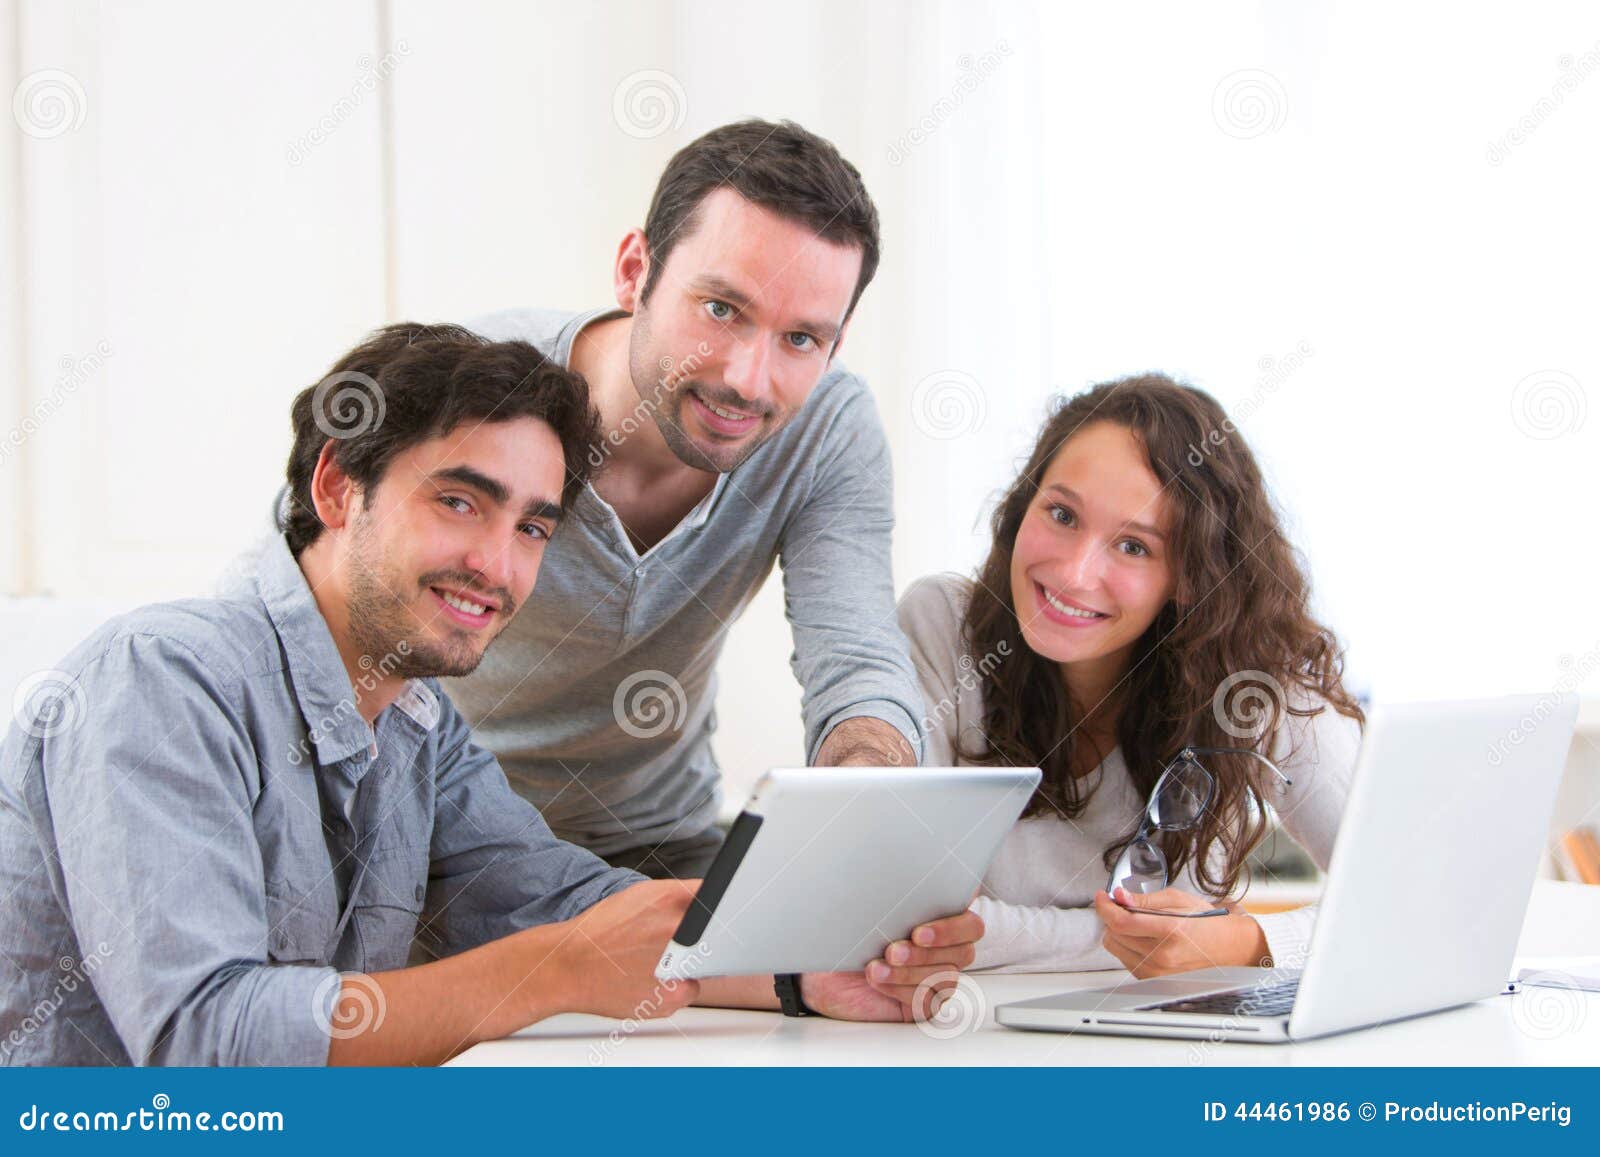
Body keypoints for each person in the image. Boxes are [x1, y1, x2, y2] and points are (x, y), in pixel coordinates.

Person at [0, 324, 979, 1066]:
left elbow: (559, 899)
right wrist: (551, 968)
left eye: (532, 526)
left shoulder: (417, 719)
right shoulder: (161, 679)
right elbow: (202, 1037)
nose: (497, 565)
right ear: (340, 487)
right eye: (460, 501)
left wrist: (804, 969)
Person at [444, 119, 923, 879]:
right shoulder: (470, 389)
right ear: (636, 270)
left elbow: (858, 658)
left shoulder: (828, 429)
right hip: (446, 836)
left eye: (801, 338)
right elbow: (308, 606)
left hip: (658, 847)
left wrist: (864, 797)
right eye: (722, 309)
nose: (746, 378)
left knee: (856, 979)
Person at [896, 374, 1365, 977]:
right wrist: (1137, 939)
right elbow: (912, 923)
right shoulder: (943, 626)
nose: (1073, 572)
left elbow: (1408, 901)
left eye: (1134, 547)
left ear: (1194, 575)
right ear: (1023, 506)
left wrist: (1248, 945)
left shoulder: (1255, 675)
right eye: (1062, 513)